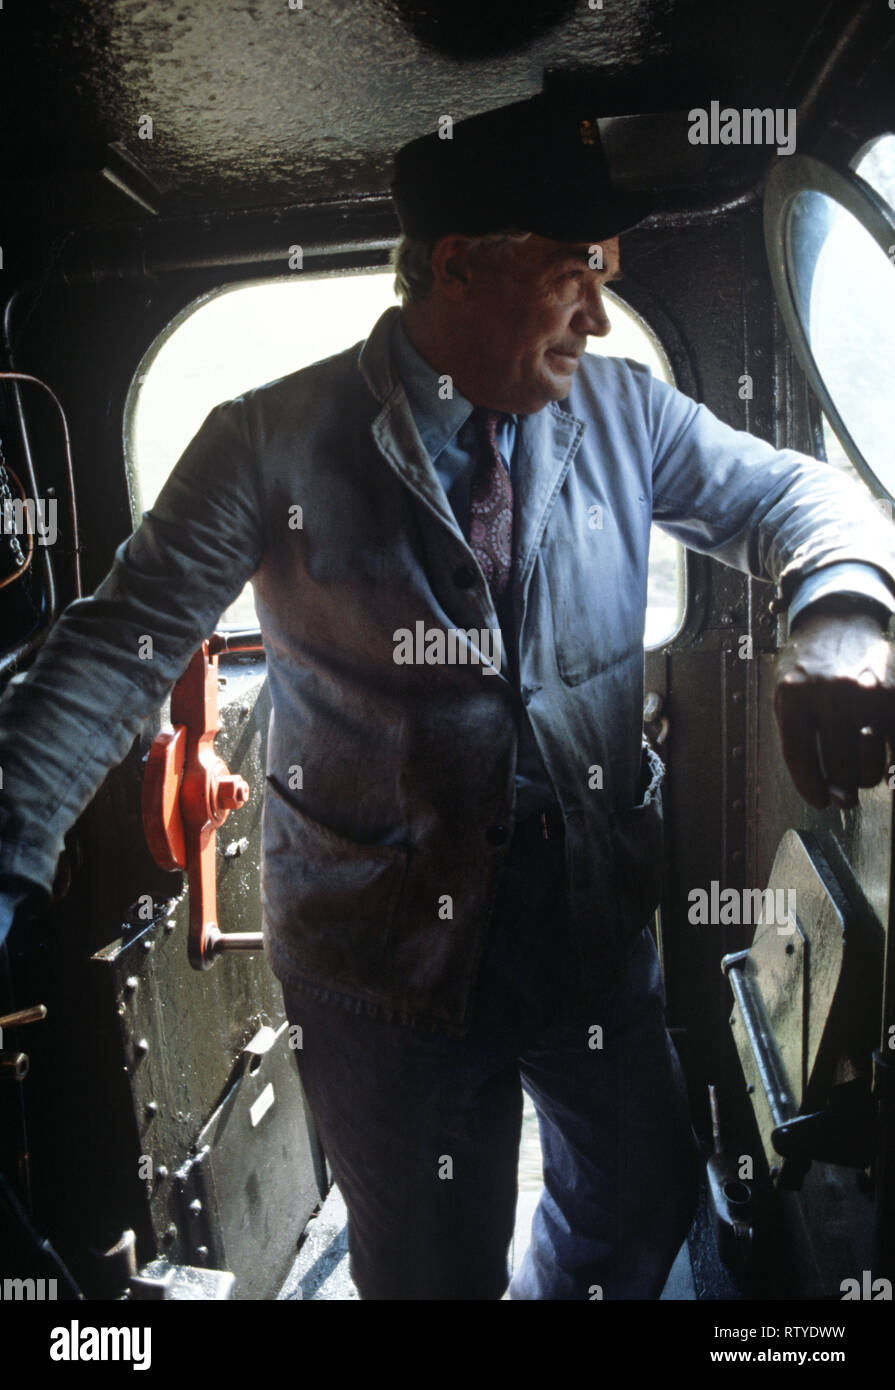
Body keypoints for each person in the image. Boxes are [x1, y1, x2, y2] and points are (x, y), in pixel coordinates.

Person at [1, 92, 895, 1300]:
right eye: (575, 269)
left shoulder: (626, 407)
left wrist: (838, 611)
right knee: (428, 1270)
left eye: (609, 271)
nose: (597, 306)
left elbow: (799, 498)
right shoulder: (267, 442)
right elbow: (116, 646)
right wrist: (7, 842)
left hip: (587, 935)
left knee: (640, 1207)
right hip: (383, 970)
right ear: (459, 268)